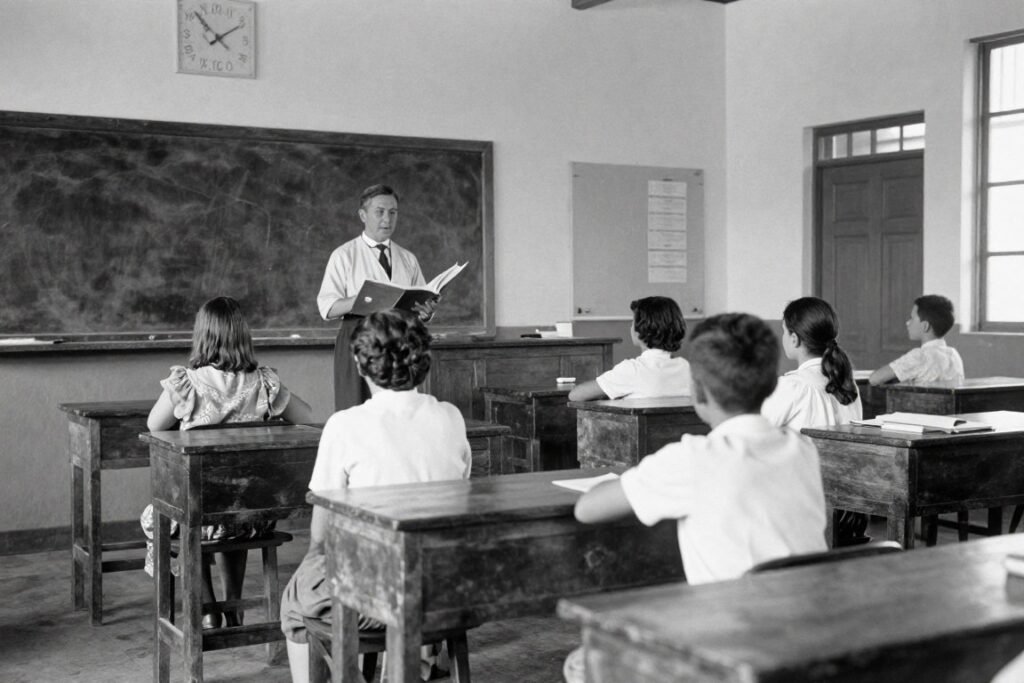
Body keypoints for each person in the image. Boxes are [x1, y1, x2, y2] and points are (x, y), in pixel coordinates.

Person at [562, 313, 827, 683]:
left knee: (581, 663)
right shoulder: (802, 449)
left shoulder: (694, 458)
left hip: (733, 640)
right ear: (771, 385)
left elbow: (588, 509)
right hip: (809, 629)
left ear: (698, 392)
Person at [280, 309, 472, 683]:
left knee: (296, 601)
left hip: (377, 593)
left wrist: (314, 570)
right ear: (423, 360)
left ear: (359, 363)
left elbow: (321, 535)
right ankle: (414, 662)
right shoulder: (451, 417)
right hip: (444, 586)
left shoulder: (344, 426)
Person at [141, 296, 313, 629]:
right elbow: (305, 416)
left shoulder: (187, 382)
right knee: (235, 503)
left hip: (200, 515)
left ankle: (207, 607)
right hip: (253, 518)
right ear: (243, 335)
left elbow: (154, 425)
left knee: (183, 508)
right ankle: (233, 605)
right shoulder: (263, 382)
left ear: (202, 335)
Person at [316, 184, 438, 411]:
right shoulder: (344, 255)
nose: (387, 219)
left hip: (400, 343)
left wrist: (425, 313)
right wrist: (362, 299)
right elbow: (327, 308)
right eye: (379, 212)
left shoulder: (407, 258)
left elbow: (418, 302)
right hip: (358, 340)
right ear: (363, 215)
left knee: (399, 412)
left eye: (393, 212)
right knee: (356, 409)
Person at [761, 296, 862, 431]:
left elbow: (754, 432)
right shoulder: (847, 384)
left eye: (784, 331)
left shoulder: (792, 385)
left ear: (794, 339)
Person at [567, 296, 690, 401]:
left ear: (640, 330)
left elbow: (575, 395)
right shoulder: (686, 367)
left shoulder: (632, 370)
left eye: (633, 322)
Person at [869, 294, 964, 385]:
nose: (907, 323)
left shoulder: (919, 356)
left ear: (925, 326)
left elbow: (875, 379)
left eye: (912, 318)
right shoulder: (954, 354)